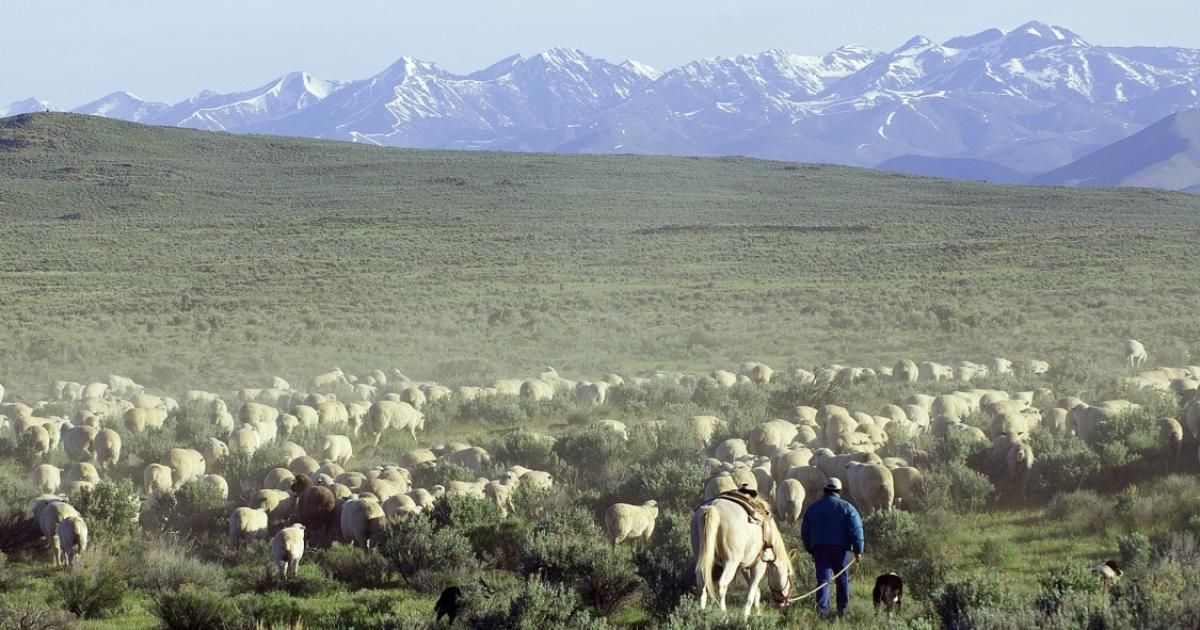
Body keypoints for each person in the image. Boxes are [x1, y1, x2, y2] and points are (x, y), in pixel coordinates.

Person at [800, 477, 864, 617]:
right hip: (841, 551)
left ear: (824, 490)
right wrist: (858, 551)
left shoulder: (813, 508)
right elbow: (856, 530)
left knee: (823, 581)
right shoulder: (847, 507)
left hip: (820, 550)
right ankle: (843, 612)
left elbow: (805, 531)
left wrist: (811, 548)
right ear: (839, 490)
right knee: (842, 581)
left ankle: (822, 613)